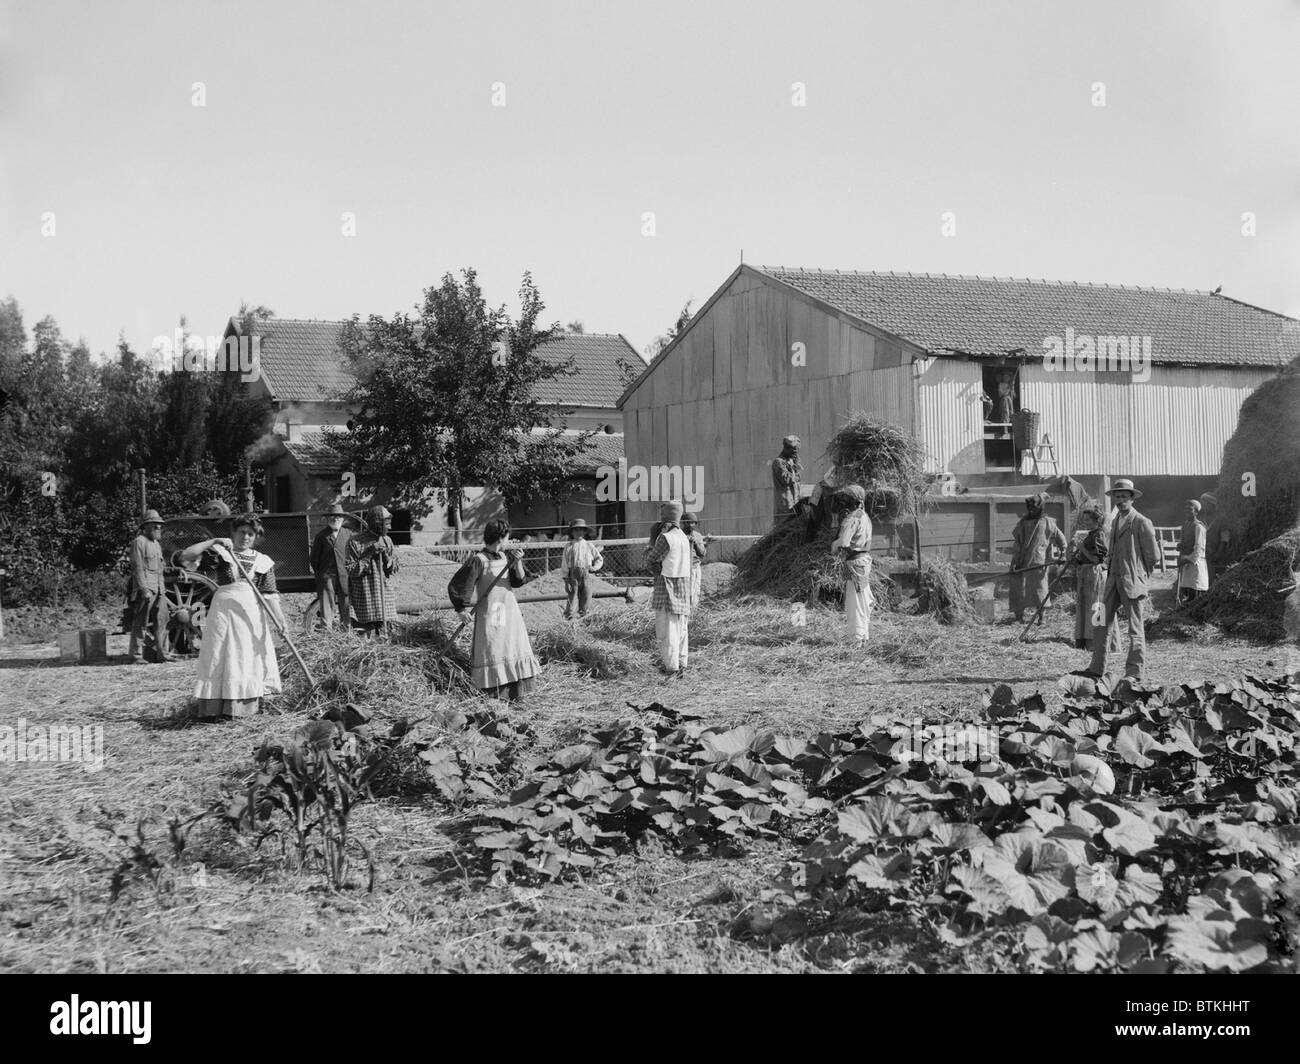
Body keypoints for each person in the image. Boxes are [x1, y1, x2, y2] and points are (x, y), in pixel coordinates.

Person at [180, 514, 284, 719]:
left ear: (256, 537)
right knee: (220, 654)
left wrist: (281, 621)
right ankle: (214, 708)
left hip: (250, 613)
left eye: (251, 534)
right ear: (233, 533)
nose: (246, 537)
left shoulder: (263, 561)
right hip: (223, 612)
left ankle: (243, 708)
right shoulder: (220, 554)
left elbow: (270, 595)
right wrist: (214, 541)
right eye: (242, 532)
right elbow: (186, 555)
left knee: (245, 655)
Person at [447, 519, 538, 701]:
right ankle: (495, 694)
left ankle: (516, 693)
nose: (509, 541)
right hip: (491, 614)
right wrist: (461, 609)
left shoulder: (506, 557)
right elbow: (461, 583)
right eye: (507, 537)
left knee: (512, 647)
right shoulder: (478, 560)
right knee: (494, 648)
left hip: (510, 612)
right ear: (500, 538)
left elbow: (518, 581)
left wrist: (518, 562)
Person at [1081, 479, 1159, 682]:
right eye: (1117, 496)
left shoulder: (1141, 522)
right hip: (1112, 581)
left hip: (1132, 582)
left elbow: (1153, 556)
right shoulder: (1115, 521)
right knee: (1100, 622)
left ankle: (1134, 673)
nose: (1120, 500)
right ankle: (1096, 668)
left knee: (1135, 628)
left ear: (1132, 499)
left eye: (1124, 496)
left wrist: (1140, 575)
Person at [648, 500, 692, 676]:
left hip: (666, 587)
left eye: (662, 514)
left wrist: (652, 539)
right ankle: (682, 664)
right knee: (681, 628)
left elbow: (651, 559)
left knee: (667, 630)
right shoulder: (683, 537)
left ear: (666, 516)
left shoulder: (665, 538)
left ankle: (671, 668)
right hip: (683, 585)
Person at [1009, 493, 1067, 623]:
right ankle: (1019, 616)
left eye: (1034, 507)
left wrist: (1063, 554)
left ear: (1040, 507)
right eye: (1029, 507)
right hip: (1021, 562)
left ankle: (1042, 617)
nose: (1031, 510)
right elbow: (1017, 544)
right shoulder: (1022, 524)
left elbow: (1061, 539)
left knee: (1040, 588)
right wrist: (1015, 561)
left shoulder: (1048, 523)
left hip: (1038, 563)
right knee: (1019, 588)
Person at [832, 486, 873, 650]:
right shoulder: (865, 516)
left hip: (855, 564)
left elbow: (843, 542)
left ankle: (856, 641)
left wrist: (834, 545)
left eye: (846, 498)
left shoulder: (852, 518)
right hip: (864, 561)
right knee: (864, 600)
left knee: (855, 603)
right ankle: (863, 637)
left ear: (853, 501)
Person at [128, 510, 172, 663]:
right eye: (154, 524)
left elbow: (161, 567)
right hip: (147, 589)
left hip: (160, 589)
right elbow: (137, 567)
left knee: (163, 620)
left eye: (159, 525)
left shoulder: (156, 544)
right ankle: (136, 655)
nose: (158, 527)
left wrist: (175, 570)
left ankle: (162, 653)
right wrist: (143, 589)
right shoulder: (139, 542)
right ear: (145, 526)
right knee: (141, 622)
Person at [347, 505, 398, 636]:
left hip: (385, 601)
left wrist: (386, 557)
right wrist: (369, 553)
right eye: (387, 524)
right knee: (365, 640)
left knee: (387, 639)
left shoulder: (387, 540)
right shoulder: (355, 542)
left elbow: (393, 569)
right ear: (377, 523)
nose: (390, 528)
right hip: (365, 602)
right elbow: (351, 571)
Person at [1069, 502, 1111, 651]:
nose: (1085, 522)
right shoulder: (1091, 535)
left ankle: (1096, 642)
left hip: (1096, 575)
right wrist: (1075, 558)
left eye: (1088, 520)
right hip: (1087, 576)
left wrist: (1082, 548)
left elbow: (1096, 560)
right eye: (1084, 519)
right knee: (1087, 608)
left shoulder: (1100, 535)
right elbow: (1086, 558)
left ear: (1097, 520)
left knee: (1096, 606)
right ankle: (1086, 640)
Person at [309, 503, 353, 629]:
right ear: (328, 519)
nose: (335, 519)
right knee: (327, 602)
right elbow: (314, 558)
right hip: (327, 575)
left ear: (343, 519)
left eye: (338, 516)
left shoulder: (348, 534)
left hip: (344, 574)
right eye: (332, 516)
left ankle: (346, 629)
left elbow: (353, 554)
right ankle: (326, 630)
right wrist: (321, 573)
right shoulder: (321, 536)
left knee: (345, 602)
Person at [560, 518, 603, 620]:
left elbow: (599, 558)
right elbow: (564, 563)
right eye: (576, 530)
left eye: (581, 530)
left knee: (586, 595)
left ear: (584, 532)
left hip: (586, 574)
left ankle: (584, 616)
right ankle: (570, 618)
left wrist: (594, 567)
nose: (578, 532)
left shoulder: (588, 545)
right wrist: (566, 579)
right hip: (573, 575)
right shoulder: (569, 546)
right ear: (572, 532)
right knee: (572, 597)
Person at [1177, 499, 1209, 605]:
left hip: (1195, 564)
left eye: (1190, 509)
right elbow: (1184, 542)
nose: (1187, 511)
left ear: (1196, 512)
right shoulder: (1185, 525)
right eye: (1185, 509)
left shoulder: (1199, 527)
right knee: (1186, 590)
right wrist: (1180, 546)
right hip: (1186, 563)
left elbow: (1199, 548)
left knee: (1195, 591)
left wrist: (1187, 559)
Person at [680, 510, 709, 608]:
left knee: (696, 590)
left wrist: (696, 543)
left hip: (696, 566)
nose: (691, 525)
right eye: (688, 522)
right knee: (687, 591)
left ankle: (693, 609)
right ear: (683, 523)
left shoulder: (697, 535)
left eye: (693, 523)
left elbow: (702, 553)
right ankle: (686, 609)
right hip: (684, 567)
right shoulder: (679, 535)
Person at [771, 435, 802, 521]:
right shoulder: (779, 462)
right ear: (786, 448)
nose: (796, 453)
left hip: (794, 504)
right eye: (794, 450)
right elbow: (786, 480)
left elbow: (798, 480)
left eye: (797, 450)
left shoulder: (791, 461)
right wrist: (794, 470)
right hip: (785, 505)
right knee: (783, 526)